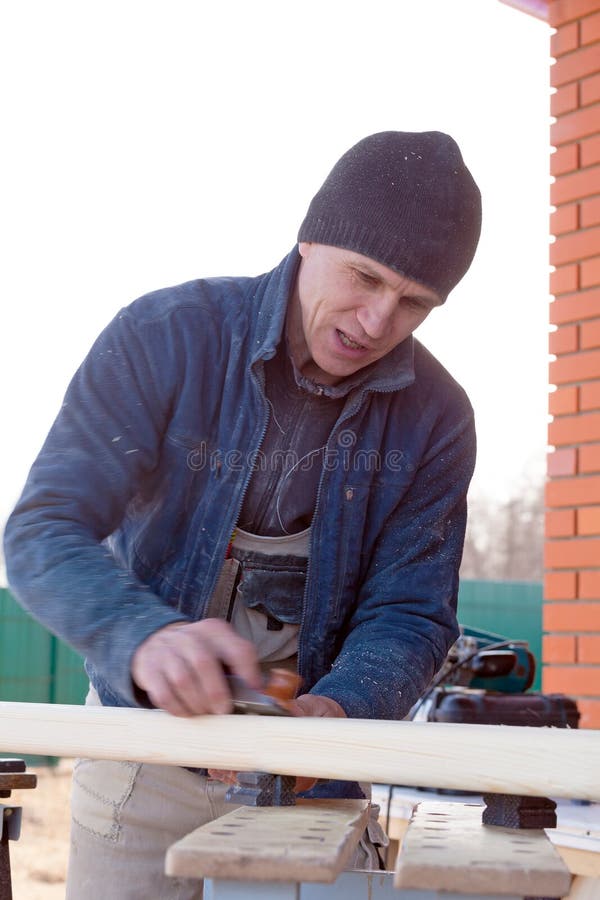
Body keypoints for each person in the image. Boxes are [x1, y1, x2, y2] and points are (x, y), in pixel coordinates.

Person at [4, 130, 482, 898]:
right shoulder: (164, 337)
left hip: (312, 775)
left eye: (415, 303)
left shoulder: (438, 418)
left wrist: (341, 709)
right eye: (364, 277)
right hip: (142, 754)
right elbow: (40, 531)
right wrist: (144, 636)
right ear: (309, 236)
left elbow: (412, 612)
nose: (375, 320)